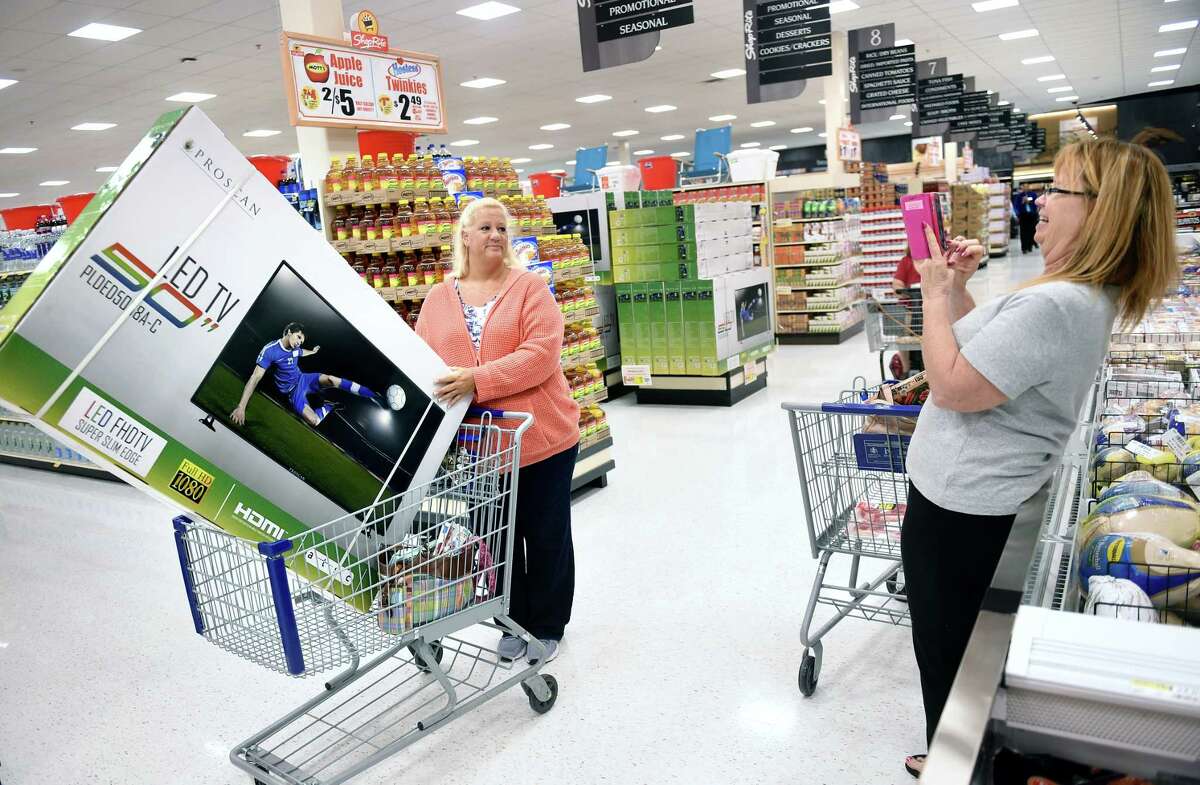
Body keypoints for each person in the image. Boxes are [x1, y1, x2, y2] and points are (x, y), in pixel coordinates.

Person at [899, 138, 1177, 778]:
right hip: (982, 496)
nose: (1040, 201)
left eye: (1057, 188)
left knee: (947, 646)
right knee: (960, 639)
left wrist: (934, 294)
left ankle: (958, 763)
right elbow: (994, 361)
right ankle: (961, 751)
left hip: (963, 505)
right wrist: (959, 288)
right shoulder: (1076, 294)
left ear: (1100, 210)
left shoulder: (1057, 303)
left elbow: (954, 386)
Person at [416, 197, 580, 665]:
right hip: (478, 449)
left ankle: (546, 625)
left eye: (502, 229)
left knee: (544, 534)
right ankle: (513, 620)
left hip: (541, 437)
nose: (495, 235)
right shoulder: (438, 298)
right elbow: (424, 359)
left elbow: (541, 355)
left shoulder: (530, 288)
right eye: (485, 227)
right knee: (495, 537)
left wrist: (477, 380)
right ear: (464, 236)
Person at [230, 322, 382, 428]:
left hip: (304, 379)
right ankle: (329, 406)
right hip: (292, 392)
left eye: (301, 341)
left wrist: (313, 352)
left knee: (331, 379)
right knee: (314, 421)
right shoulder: (271, 350)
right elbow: (255, 378)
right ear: (289, 332)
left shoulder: (295, 348)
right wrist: (241, 407)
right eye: (298, 337)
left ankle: (372, 395)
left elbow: (301, 352)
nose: (299, 342)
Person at [889, 247, 923, 378]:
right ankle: (906, 371)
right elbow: (897, 284)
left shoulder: (937, 261)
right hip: (910, 309)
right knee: (901, 329)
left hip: (934, 310)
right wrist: (904, 292)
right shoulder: (906, 261)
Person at [1014, 184, 1040, 254]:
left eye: (1026, 187)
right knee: (1023, 232)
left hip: (1032, 215)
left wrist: (1030, 202)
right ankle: (1024, 248)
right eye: (1024, 187)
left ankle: (1030, 246)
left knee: (1032, 231)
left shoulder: (1033, 194)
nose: (1025, 188)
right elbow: (1016, 205)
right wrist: (1022, 202)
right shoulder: (1019, 196)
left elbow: (1036, 203)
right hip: (1023, 215)